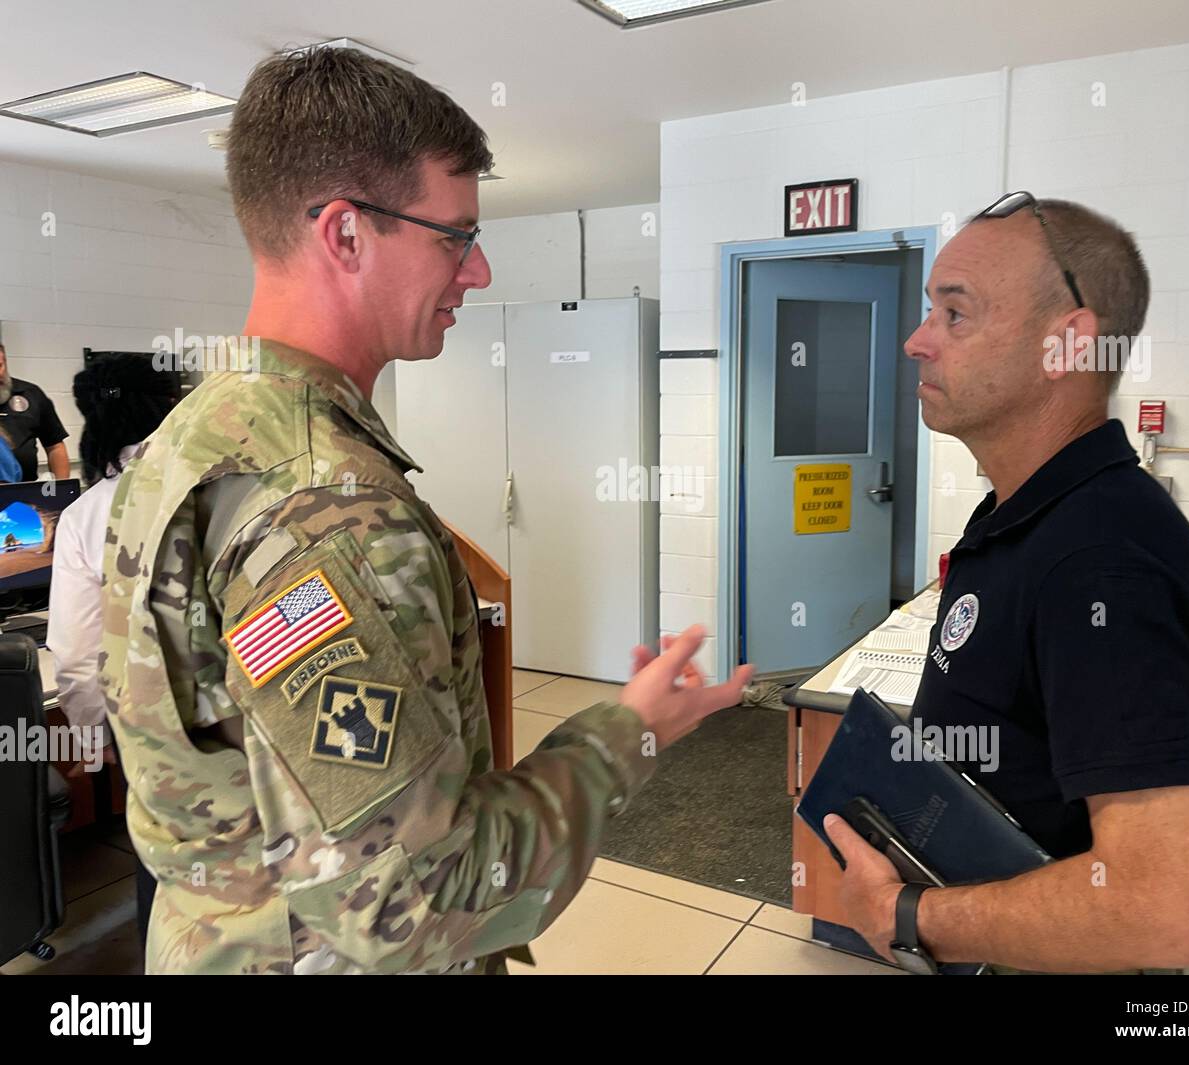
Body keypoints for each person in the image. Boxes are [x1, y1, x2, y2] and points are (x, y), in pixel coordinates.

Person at [100, 45, 752, 975]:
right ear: (346, 234)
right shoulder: (327, 508)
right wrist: (625, 730)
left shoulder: (194, 438)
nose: (478, 273)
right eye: (456, 236)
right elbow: (410, 901)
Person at [825, 193, 1189, 974]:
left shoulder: (1102, 560)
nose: (916, 341)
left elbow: (1176, 910)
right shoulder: (1024, 514)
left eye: (955, 314)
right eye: (927, 312)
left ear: (1067, 346)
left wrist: (906, 914)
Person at [48, 354, 180, 950]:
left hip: (152, 730)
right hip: (246, 718)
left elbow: (76, 653)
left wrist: (88, 736)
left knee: (166, 863)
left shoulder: (84, 515)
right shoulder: (217, 484)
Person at [0, 341, 71, 481]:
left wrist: (60, 492)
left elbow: (55, 446)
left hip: (26, 491)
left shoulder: (30, 393)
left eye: (0, 366)